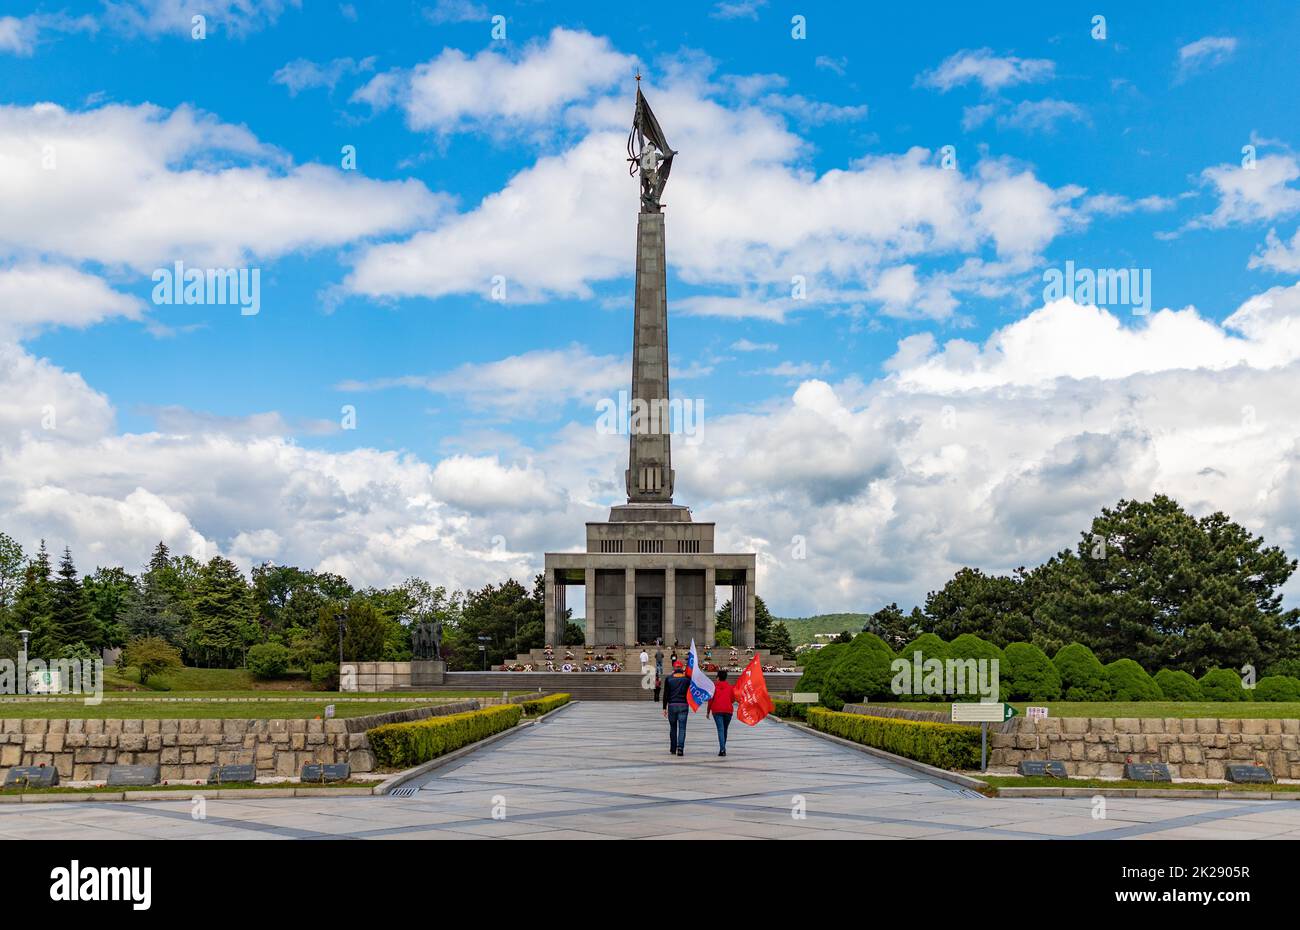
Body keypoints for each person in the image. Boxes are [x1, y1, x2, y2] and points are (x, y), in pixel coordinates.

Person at [661, 660, 691, 756]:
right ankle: (680, 748)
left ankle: (673, 748)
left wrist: (664, 707)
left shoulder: (669, 679)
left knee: (673, 727)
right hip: (683, 705)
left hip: (672, 705)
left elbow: (666, 694)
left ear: (674, 668)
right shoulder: (687, 679)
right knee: (682, 728)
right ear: (682, 668)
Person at [706, 669, 737, 757]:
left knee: (720, 729)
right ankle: (722, 748)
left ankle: (722, 749)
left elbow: (710, 700)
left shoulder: (714, 687)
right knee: (725, 729)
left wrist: (708, 711)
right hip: (728, 710)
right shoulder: (730, 687)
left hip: (717, 710)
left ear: (718, 678)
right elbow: (732, 699)